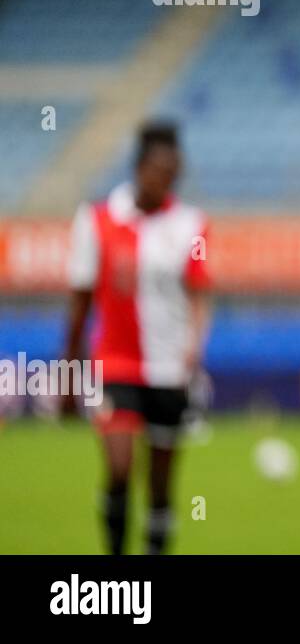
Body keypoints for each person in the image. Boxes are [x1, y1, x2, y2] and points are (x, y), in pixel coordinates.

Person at [61, 120, 212, 554]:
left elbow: (200, 292)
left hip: (169, 370)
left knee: (161, 484)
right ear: (140, 168)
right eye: (161, 171)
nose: (168, 180)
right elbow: (79, 303)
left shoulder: (192, 225)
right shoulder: (97, 221)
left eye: (174, 172)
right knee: (120, 467)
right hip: (115, 365)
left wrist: (194, 344)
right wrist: (70, 373)